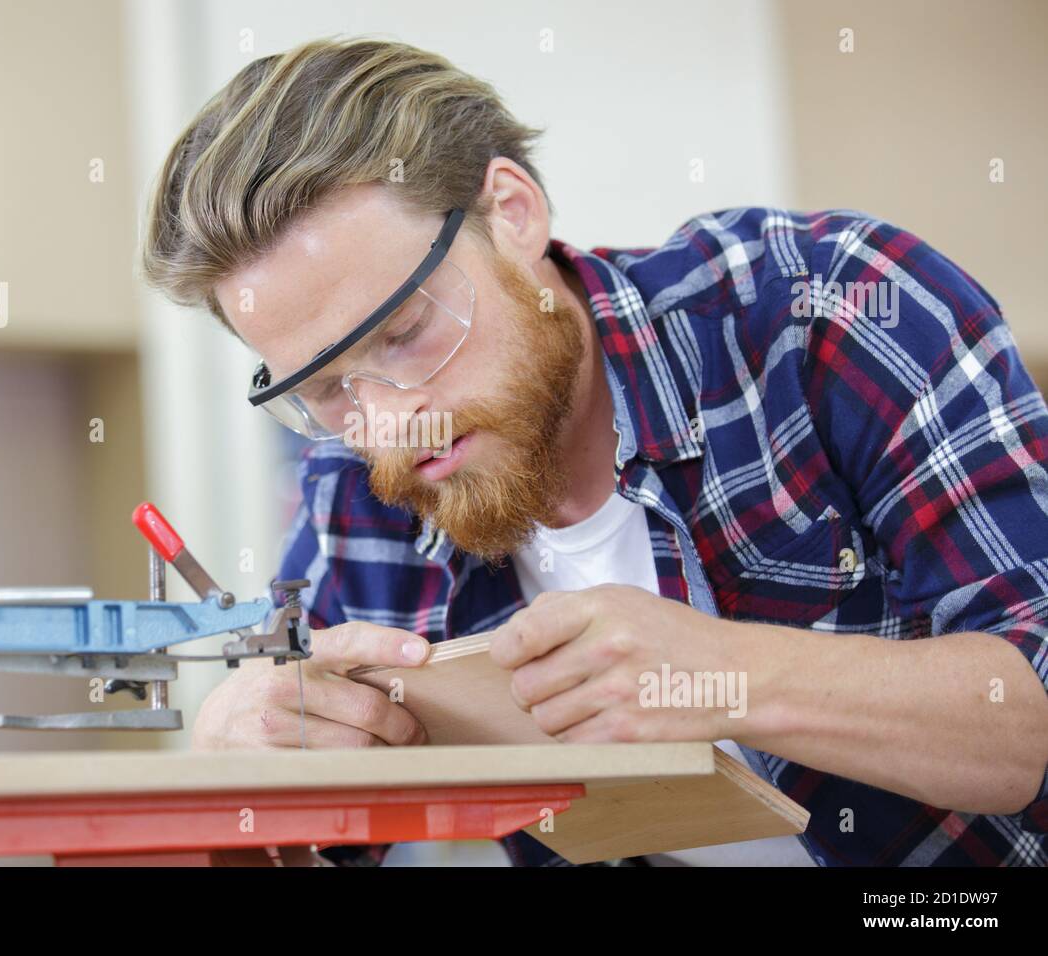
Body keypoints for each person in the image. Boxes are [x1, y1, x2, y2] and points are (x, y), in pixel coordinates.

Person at [141, 37, 1048, 866]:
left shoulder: (825, 310)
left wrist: (725, 675)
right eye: (326, 388)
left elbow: (1030, 710)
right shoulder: (357, 477)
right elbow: (309, 816)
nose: (386, 428)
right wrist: (237, 771)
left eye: (407, 331)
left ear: (512, 213)